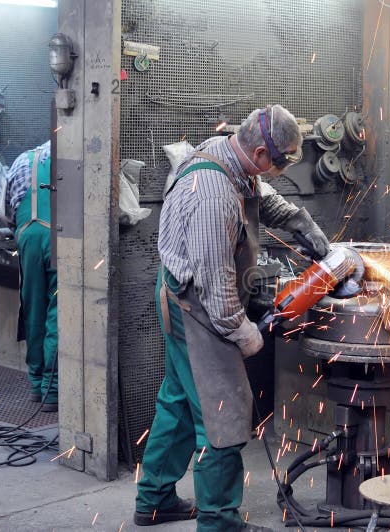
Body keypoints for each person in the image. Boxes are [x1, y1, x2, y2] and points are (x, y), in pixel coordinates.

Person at [133, 105, 329, 530]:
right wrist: (242, 332)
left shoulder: (229, 156)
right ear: (261, 153)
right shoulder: (212, 193)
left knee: (180, 402)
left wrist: (304, 225)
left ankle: (154, 499)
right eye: (281, 161)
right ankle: (219, 522)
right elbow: (215, 281)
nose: (280, 169)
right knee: (224, 413)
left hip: (181, 295)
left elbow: (264, 200)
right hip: (199, 308)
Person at [4, 141, 58, 413]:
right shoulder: (70, 156)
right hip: (59, 238)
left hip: (26, 238)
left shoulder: (21, 160)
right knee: (57, 313)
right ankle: (53, 389)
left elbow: (7, 213)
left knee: (34, 311)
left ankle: (36, 385)